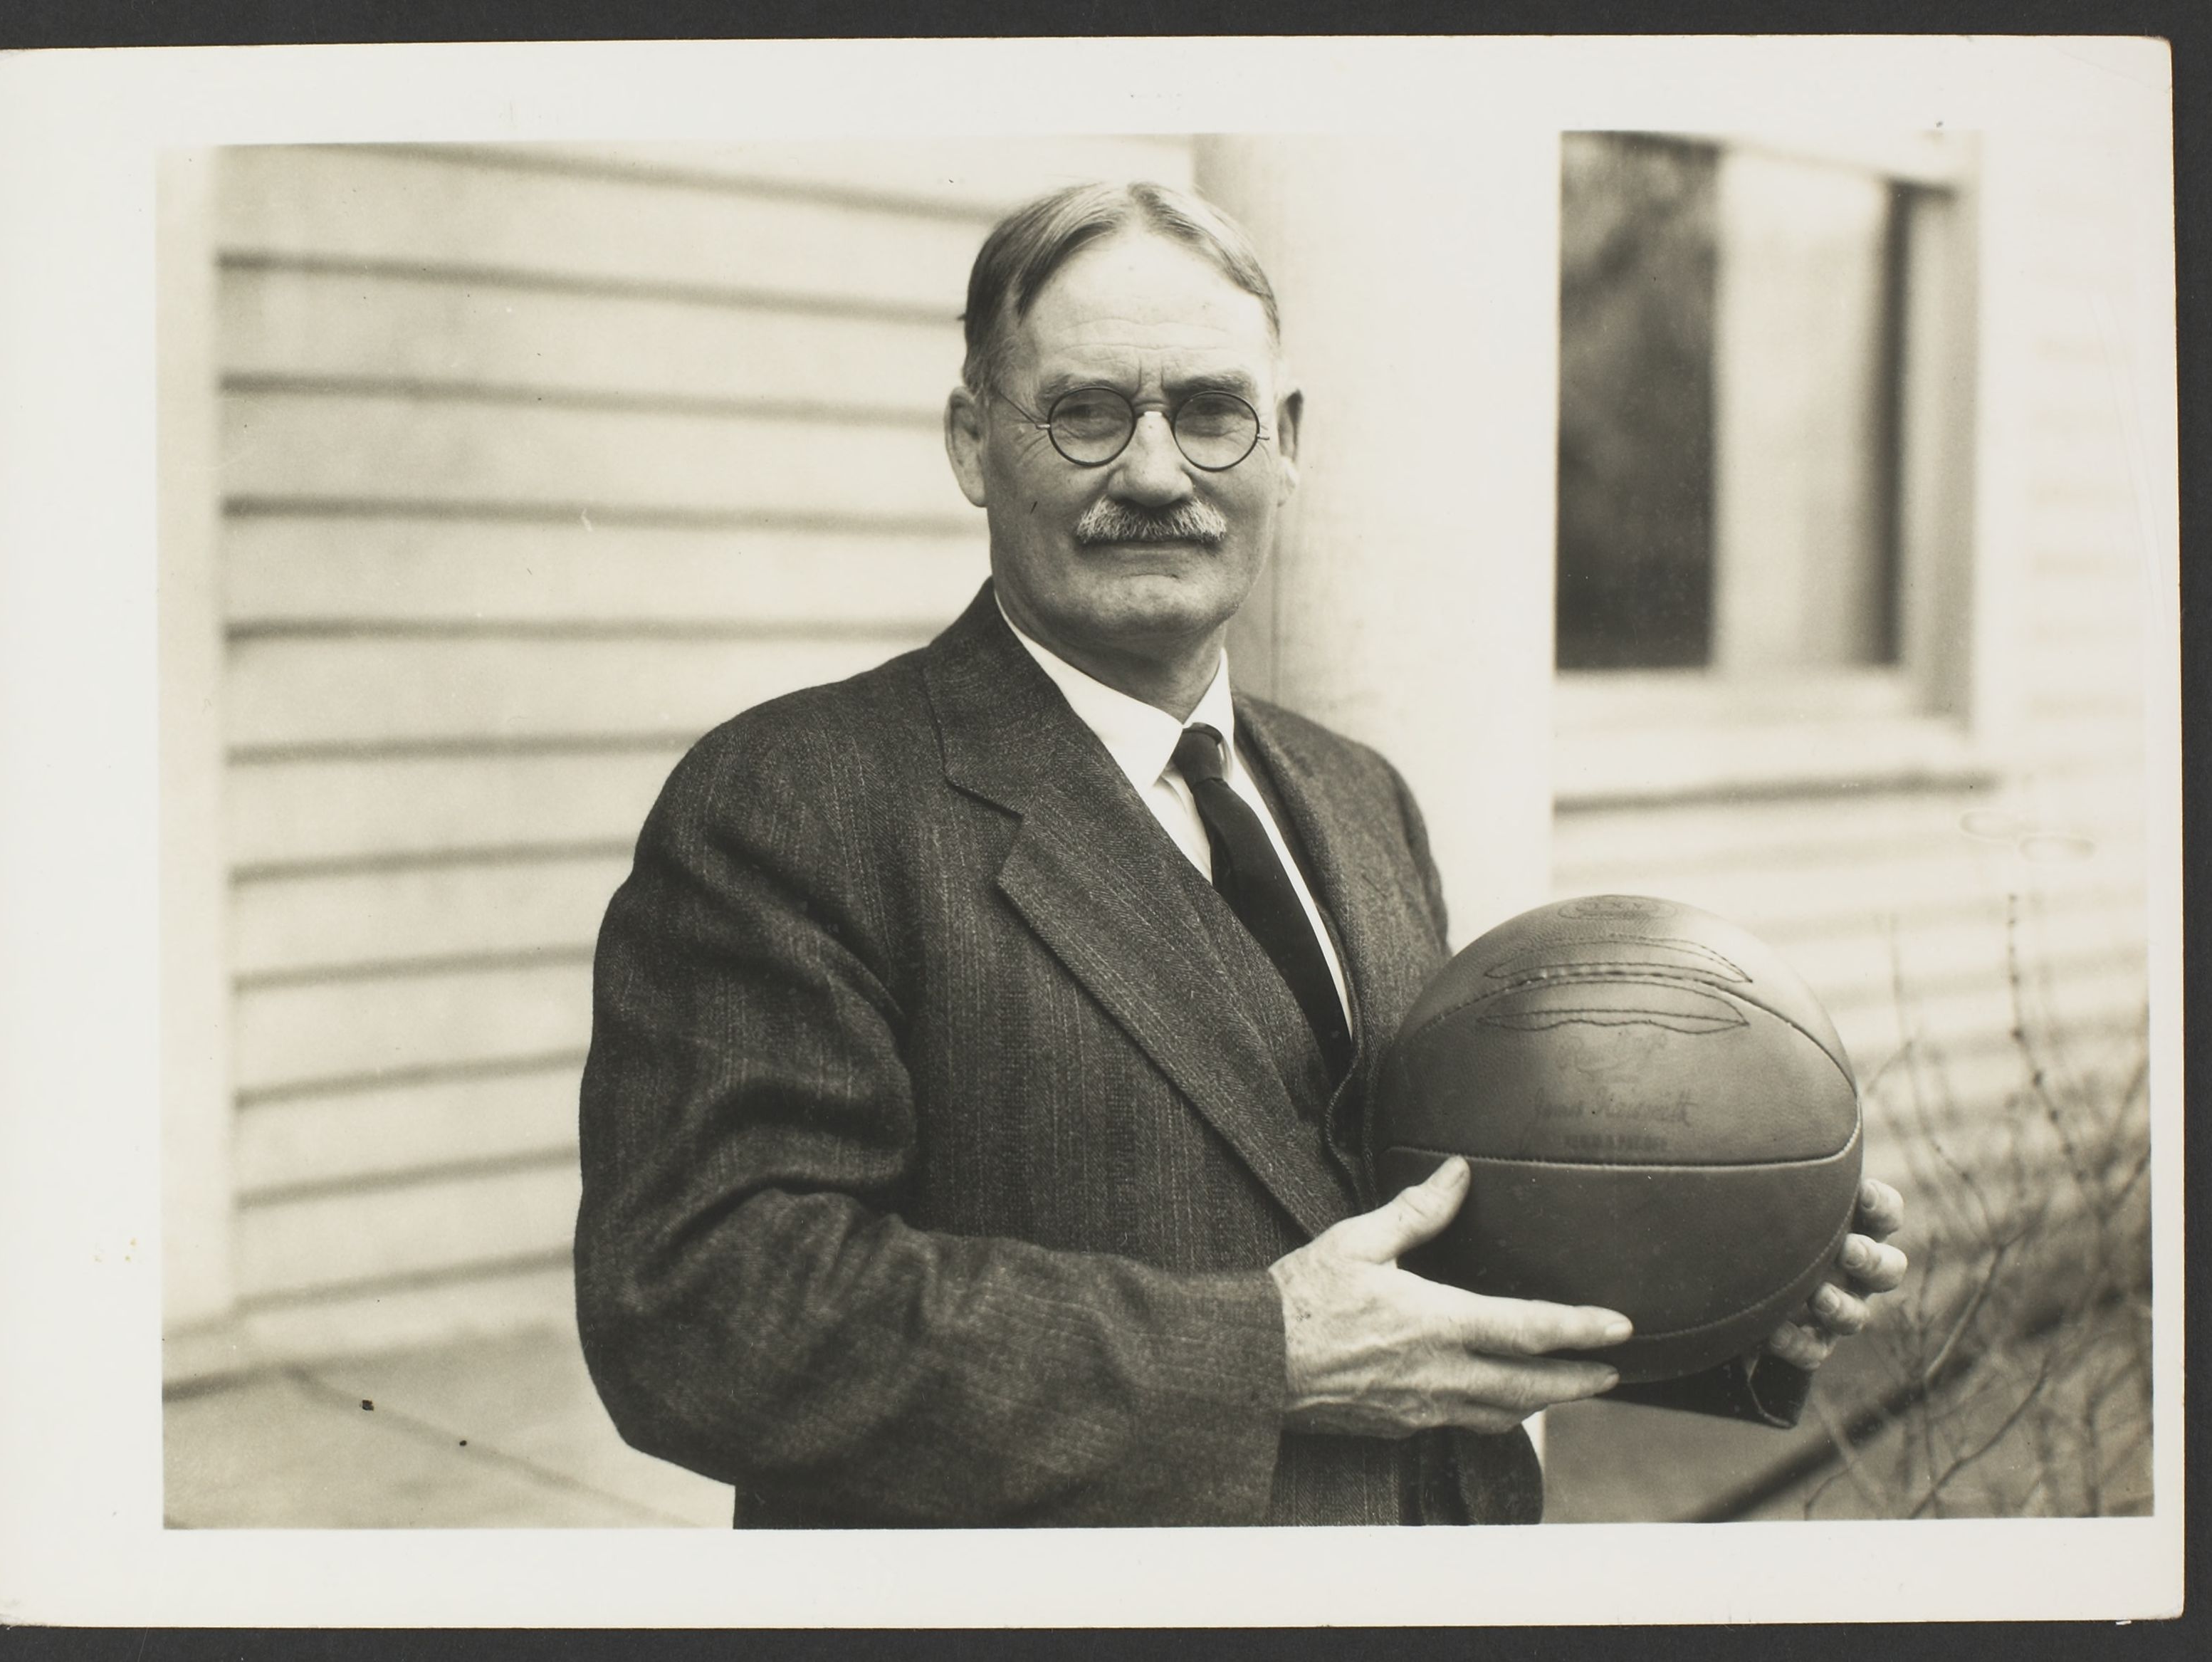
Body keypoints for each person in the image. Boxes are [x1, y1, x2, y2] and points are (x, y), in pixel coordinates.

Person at [575, 180, 1906, 1527]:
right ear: (975, 441)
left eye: (1212, 412)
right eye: (1087, 412)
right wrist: (1262, 1355)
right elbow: (702, 1312)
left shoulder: (1357, 794)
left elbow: (1421, 1254)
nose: (1156, 475)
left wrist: (1729, 1292)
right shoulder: (796, 801)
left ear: (1285, 446)